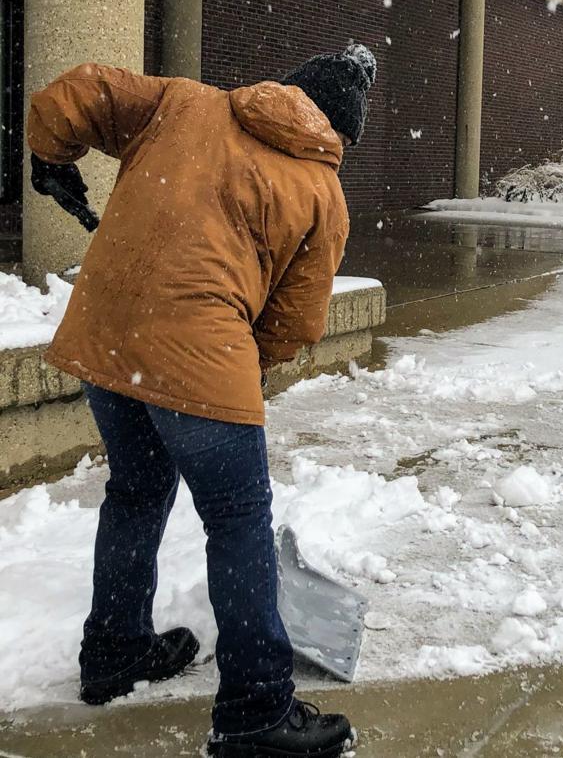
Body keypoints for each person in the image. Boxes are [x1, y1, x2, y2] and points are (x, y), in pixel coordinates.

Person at [26, 42, 377, 758]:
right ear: (342, 133)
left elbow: (81, 89)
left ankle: (115, 652)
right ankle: (255, 713)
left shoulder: (184, 102)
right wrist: (237, 369)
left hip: (107, 339)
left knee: (135, 491)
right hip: (201, 356)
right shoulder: (321, 192)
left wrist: (49, 155)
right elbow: (296, 323)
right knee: (240, 520)